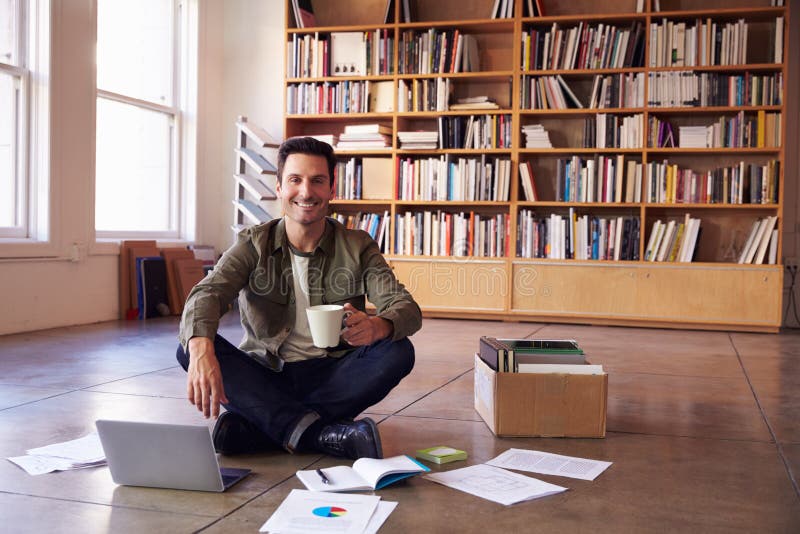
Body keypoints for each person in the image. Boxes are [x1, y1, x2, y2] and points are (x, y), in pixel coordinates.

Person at [177, 136, 421, 460]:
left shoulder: (358, 245)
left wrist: (379, 326)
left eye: (317, 181)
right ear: (279, 187)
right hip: (267, 373)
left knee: (398, 351)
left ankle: (264, 426)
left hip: (332, 375)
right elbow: (208, 293)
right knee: (190, 345)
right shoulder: (252, 244)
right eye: (295, 180)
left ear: (331, 189)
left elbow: (405, 307)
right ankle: (321, 434)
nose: (306, 192)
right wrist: (200, 349)